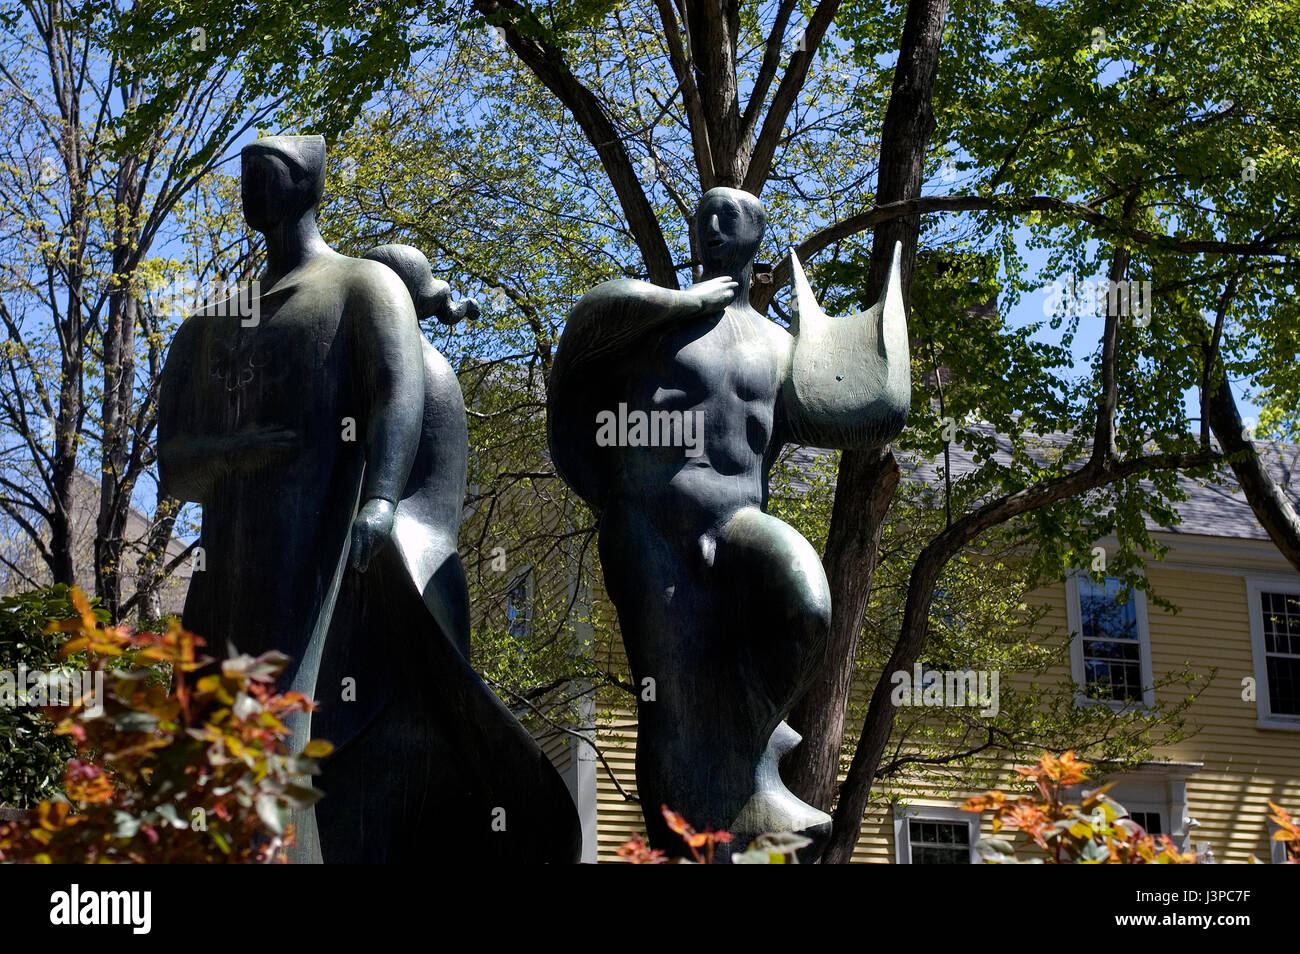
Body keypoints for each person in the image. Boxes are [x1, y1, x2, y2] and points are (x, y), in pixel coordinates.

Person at [159, 135, 579, 863]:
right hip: (229, 581)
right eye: (245, 174)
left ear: (310, 185)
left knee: (287, 754)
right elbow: (175, 465)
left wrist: (381, 500)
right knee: (219, 765)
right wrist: (240, 452)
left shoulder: (360, 286)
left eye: (271, 173)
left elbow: (398, 393)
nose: (251, 186)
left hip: (322, 565)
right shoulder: (209, 327)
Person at [547, 186, 910, 859]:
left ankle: (748, 765)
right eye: (702, 217)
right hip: (651, 529)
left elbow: (865, 411)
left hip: (738, 518)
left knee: (807, 606)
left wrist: (887, 352)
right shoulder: (653, 325)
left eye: (730, 217)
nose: (712, 227)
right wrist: (680, 305)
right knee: (672, 703)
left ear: (757, 234)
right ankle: (688, 844)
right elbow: (585, 339)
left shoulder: (780, 348)